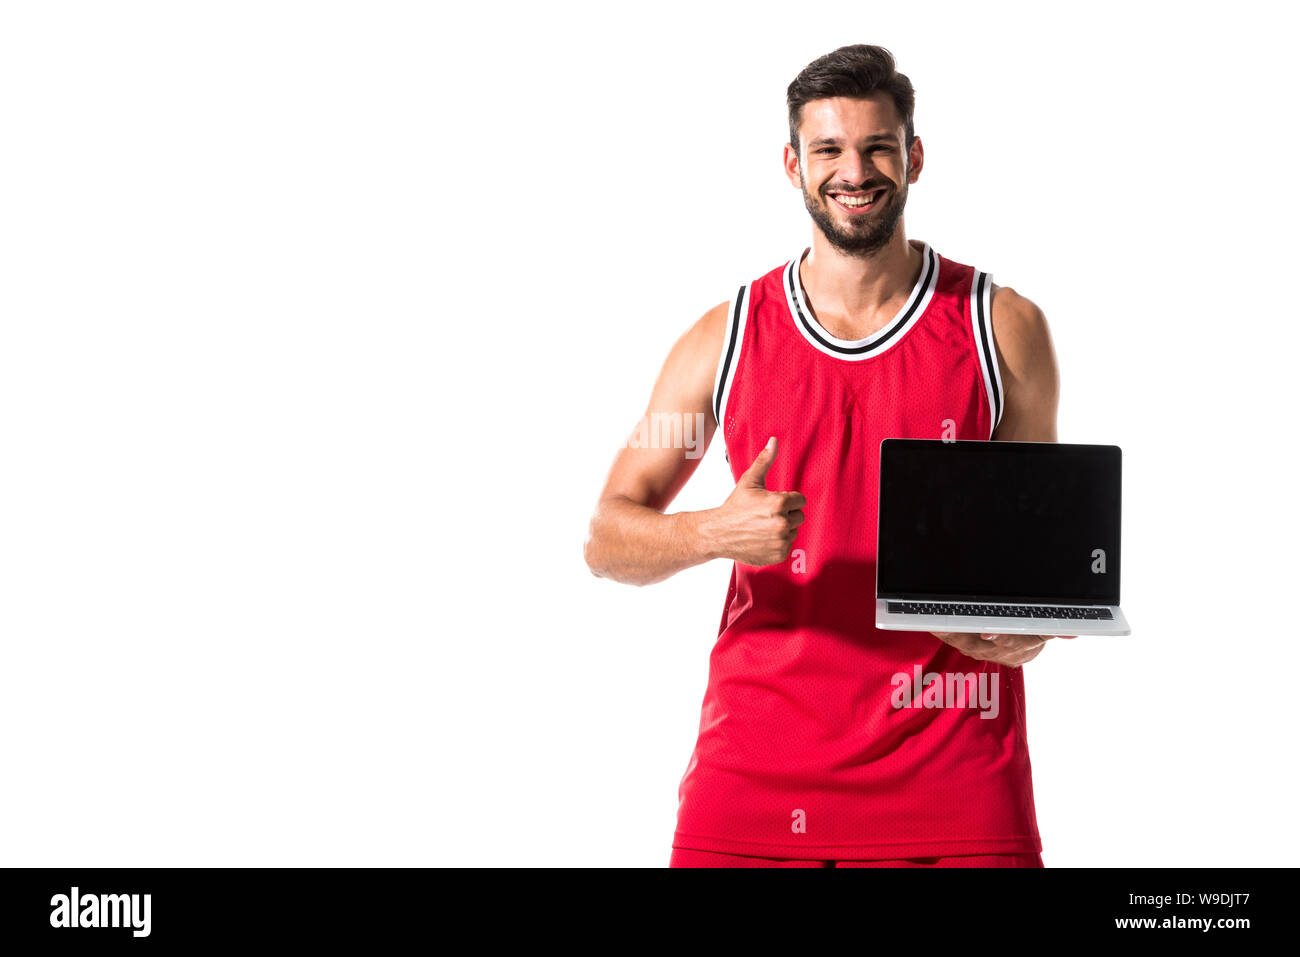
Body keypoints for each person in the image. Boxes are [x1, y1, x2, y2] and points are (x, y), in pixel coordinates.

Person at [583, 44, 1062, 868]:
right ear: (792, 164)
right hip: (757, 781)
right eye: (829, 149)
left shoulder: (1000, 327)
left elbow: (1034, 566)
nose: (856, 171)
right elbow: (606, 537)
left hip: (953, 782)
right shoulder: (724, 339)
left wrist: (1029, 626)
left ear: (914, 155)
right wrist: (711, 533)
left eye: (878, 146)